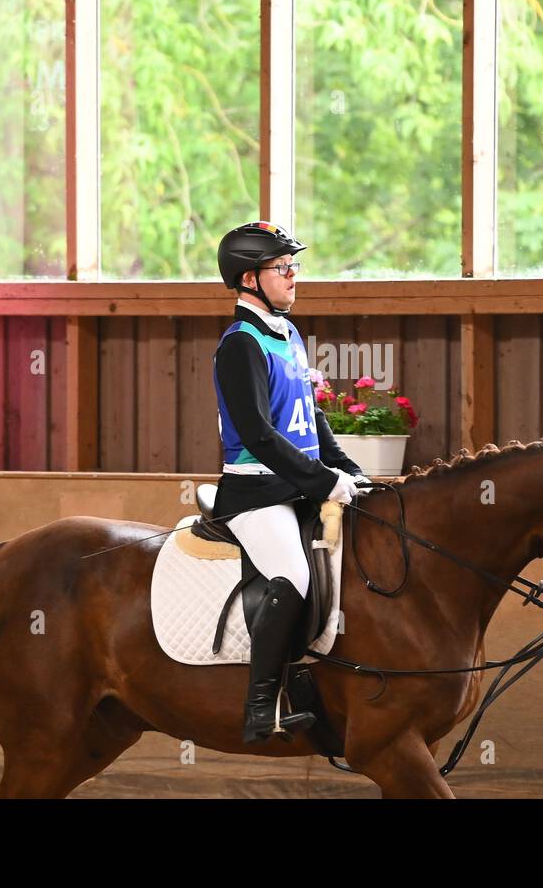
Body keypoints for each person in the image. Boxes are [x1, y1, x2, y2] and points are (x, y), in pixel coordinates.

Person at [212, 220, 369, 744]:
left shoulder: (288, 334)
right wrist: (322, 482)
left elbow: (311, 418)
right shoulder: (241, 344)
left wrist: (348, 470)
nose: (293, 275)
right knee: (293, 574)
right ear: (248, 279)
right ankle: (261, 708)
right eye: (283, 268)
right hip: (256, 494)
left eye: (293, 266)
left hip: (297, 485)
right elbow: (257, 433)